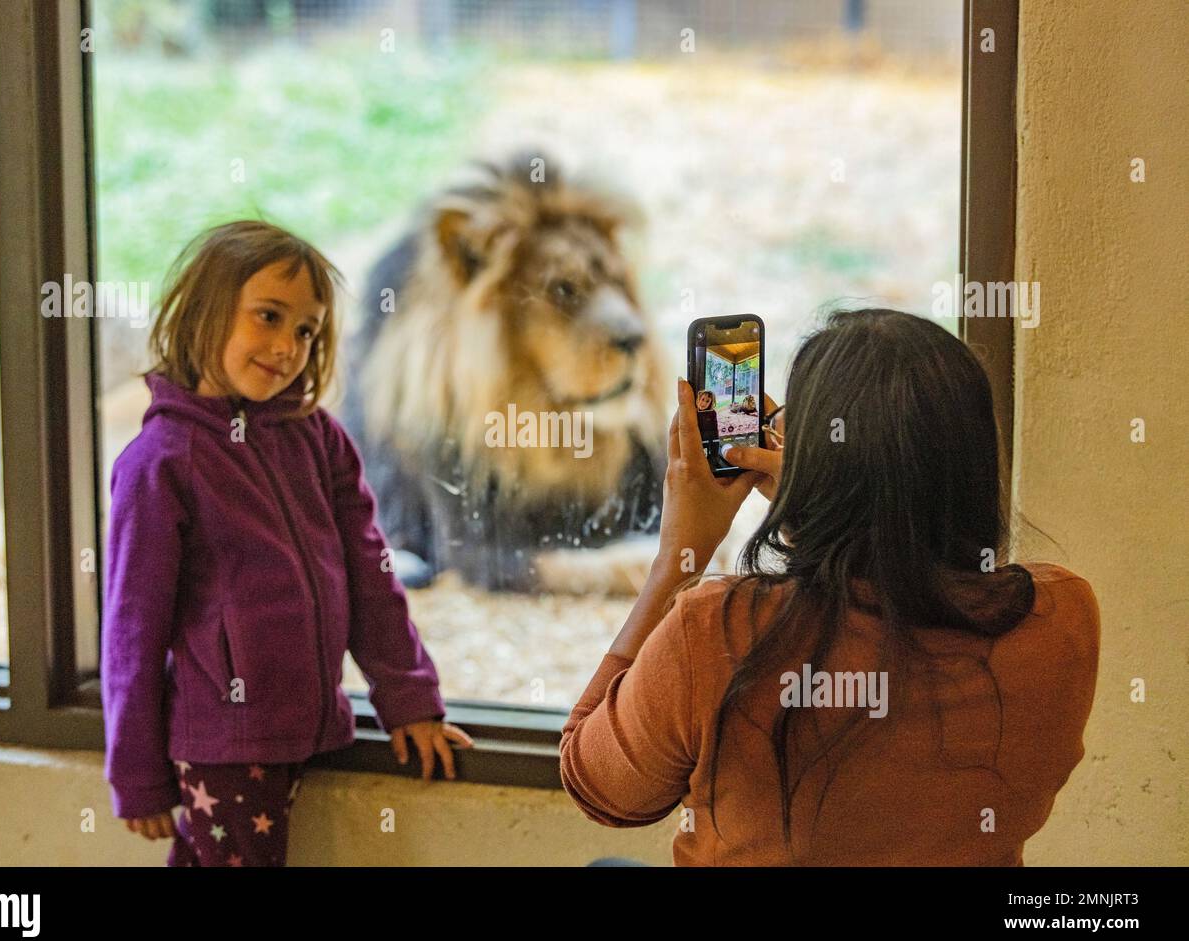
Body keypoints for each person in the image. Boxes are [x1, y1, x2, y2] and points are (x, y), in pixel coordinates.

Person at [560, 307, 1100, 865]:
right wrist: (818, 516)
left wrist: (677, 558)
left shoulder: (719, 630)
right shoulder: (1062, 613)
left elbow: (601, 789)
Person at [101, 220, 472, 866]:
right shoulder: (160, 462)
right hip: (226, 743)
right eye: (268, 317)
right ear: (204, 312)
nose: (287, 346)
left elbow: (370, 575)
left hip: (299, 728)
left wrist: (410, 699)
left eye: (305, 330)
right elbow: (132, 630)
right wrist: (135, 773)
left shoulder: (317, 438)